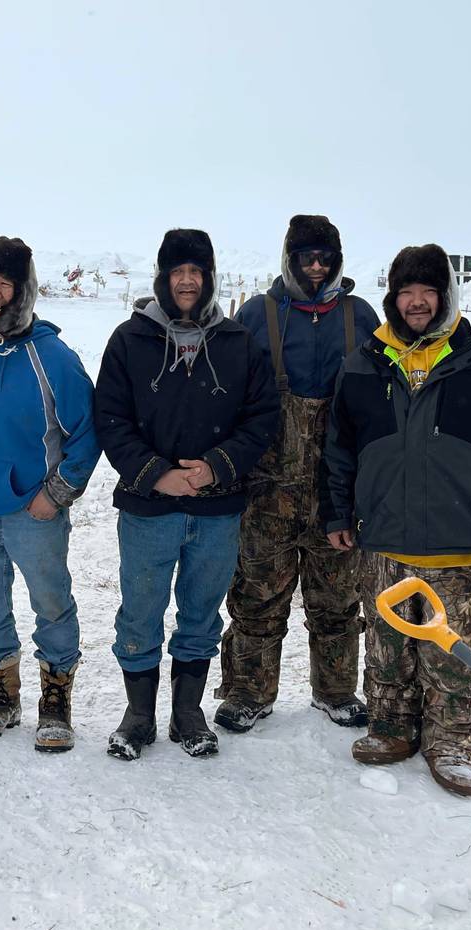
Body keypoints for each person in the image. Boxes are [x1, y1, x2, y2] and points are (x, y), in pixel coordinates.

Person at [322, 243, 471, 795]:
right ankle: (391, 728)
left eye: (429, 291)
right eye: (408, 292)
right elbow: (339, 450)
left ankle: (452, 742)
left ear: (446, 296)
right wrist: (337, 512)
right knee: (387, 645)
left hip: (464, 540)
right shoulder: (364, 363)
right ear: (392, 297)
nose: (418, 302)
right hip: (387, 540)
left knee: (457, 651)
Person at [94, 229, 278, 760]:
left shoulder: (239, 342)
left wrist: (217, 467)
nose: (188, 280)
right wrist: (155, 473)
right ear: (163, 278)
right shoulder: (130, 340)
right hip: (149, 508)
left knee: (201, 613)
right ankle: (139, 715)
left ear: (210, 278)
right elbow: (110, 417)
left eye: (197, 272)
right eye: (178, 272)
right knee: (141, 611)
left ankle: (188, 712)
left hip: (217, 509)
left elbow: (262, 416)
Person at [216, 215, 381, 734]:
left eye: (325, 256)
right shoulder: (257, 314)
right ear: (289, 258)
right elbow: (229, 399)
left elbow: (381, 408)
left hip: (338, 490)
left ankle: (335, 691)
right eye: (306, 255)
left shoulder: (361, 316)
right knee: (257, 597)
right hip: (266, 490)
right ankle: (248, 692)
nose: (315, 265)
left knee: (337, 599)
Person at [0, 236, 100, 752]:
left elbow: (87, 433)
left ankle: (55, 698)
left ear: (24, 289)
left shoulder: (52, 357)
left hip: (32, 512)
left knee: (51, 603)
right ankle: (0, 694)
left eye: (4, 283)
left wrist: (55, 494)